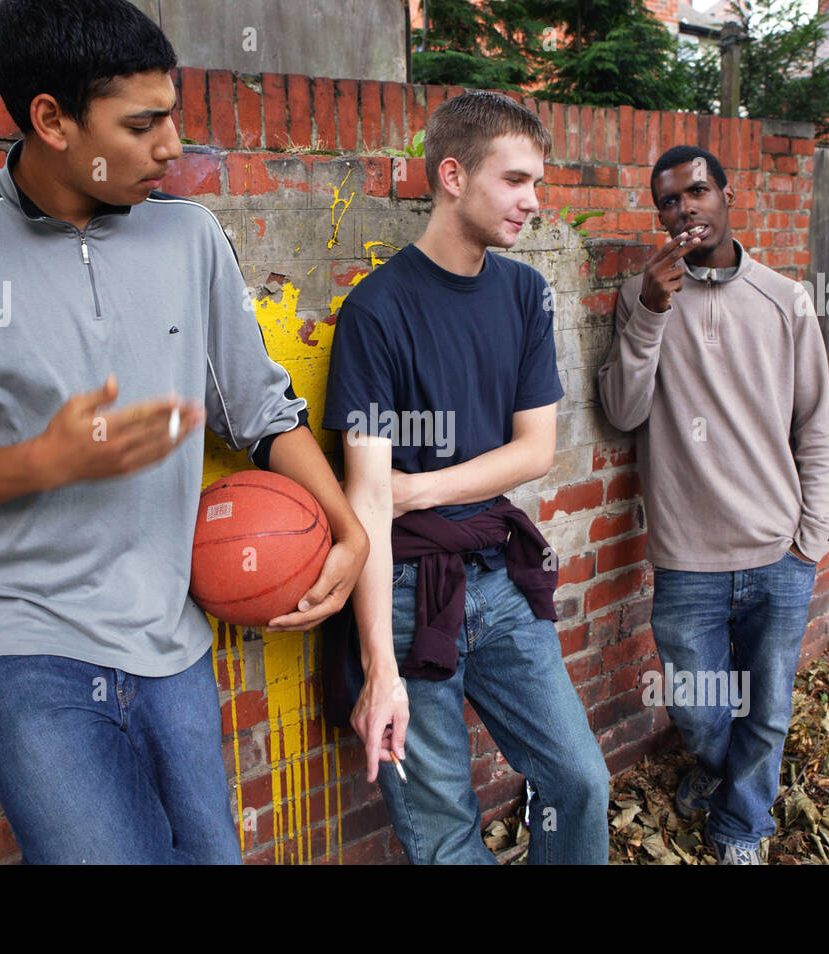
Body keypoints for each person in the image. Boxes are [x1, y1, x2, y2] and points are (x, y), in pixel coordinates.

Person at [0, 0, 367, 864]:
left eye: (172, 114)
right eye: (143, 124)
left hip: (169, 628)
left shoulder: (190, 236)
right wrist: (43, 462)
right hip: (21, 639)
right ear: (51, 119)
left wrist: (348, 530)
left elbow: (262, 413)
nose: (173, 146)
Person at [321, 91, 611, 865]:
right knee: (446, 836)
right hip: (408, 594)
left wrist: (415, 489)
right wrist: (380, 668)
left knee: (580, 782)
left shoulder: (522, 295)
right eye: (515, 180)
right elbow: (367, 510)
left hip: (498, 576)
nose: (532, 202)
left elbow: (533, 451)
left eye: (536, 183)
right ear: (452, 174)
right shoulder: (376, 312)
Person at [597, 145, 829, 864]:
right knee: (700, 713)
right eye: (668, 202)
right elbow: (622, 410)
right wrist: (649, 312)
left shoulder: (784, 299)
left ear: (727, 194)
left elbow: (817, 425)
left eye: (696, 191)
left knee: (765, 711)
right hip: (687, 562)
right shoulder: (645, 297)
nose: (684, 209)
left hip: (777, 552)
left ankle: (742, 824)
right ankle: (716, 769)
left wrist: (813, 538)